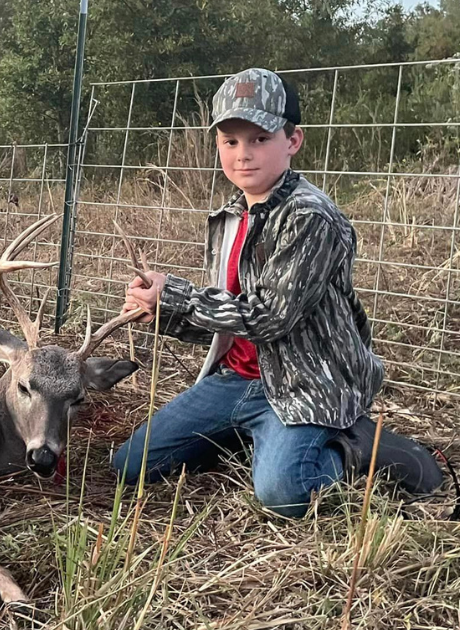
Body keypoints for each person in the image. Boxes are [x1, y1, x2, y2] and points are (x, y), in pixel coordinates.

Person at [112, 68, 443, 517]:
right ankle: (256, 437)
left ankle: (360, 447)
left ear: (293, 140)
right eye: (230, 142)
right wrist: (160, 311)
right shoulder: (229, 217)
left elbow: (270, 318)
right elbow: (226, 318)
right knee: (131, 466)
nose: (243, 155)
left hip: (307, 384)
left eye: (260, 139)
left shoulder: (310, 217)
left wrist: (177, 297)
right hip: (238, 380)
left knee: (284, 495)